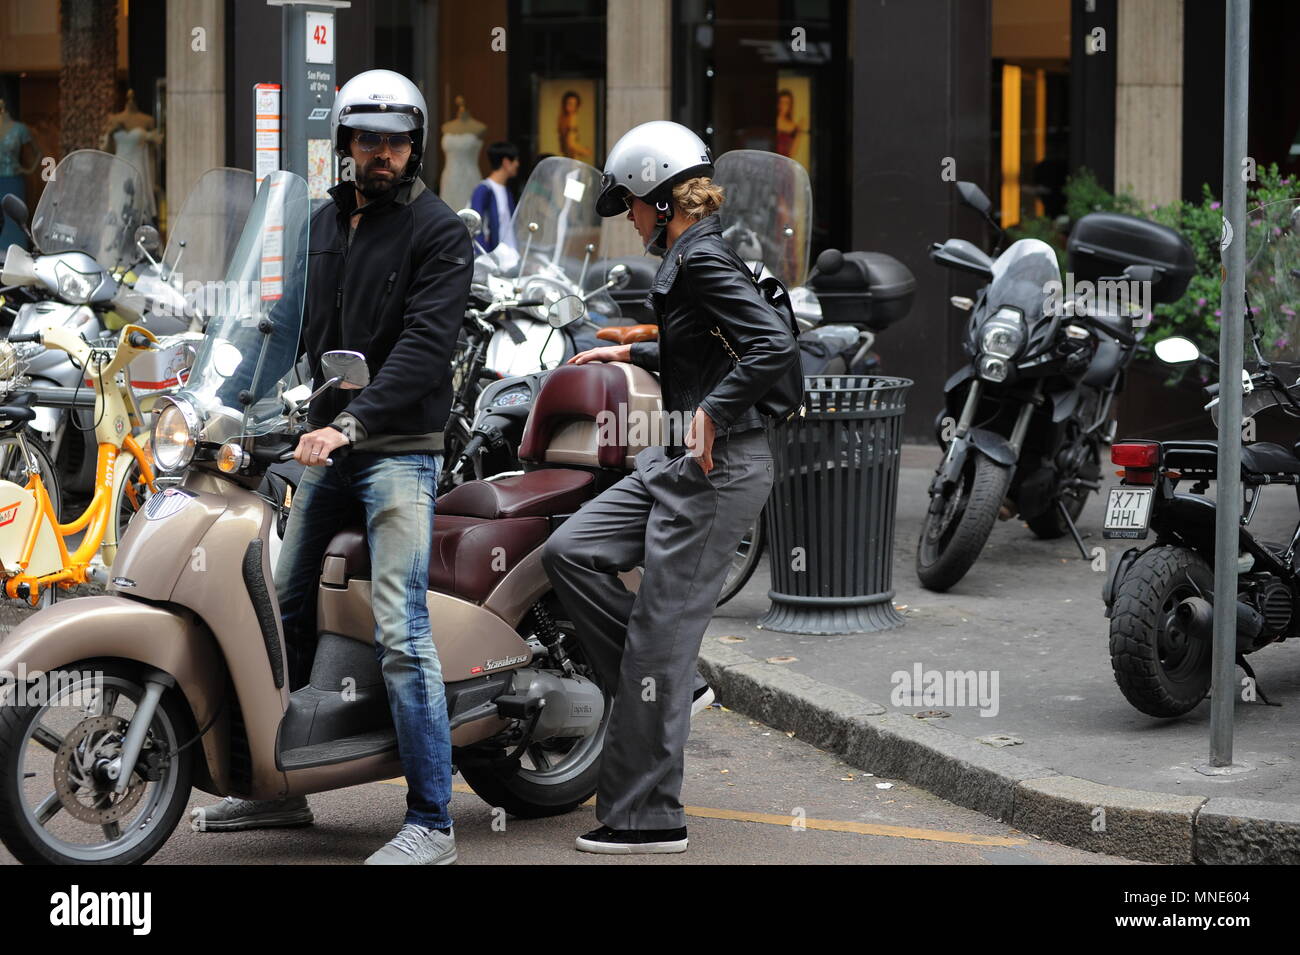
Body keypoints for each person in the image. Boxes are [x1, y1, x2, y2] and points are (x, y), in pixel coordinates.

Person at [195, 69, 473, 866]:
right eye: (365, 139)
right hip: (326, 445)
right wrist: (219, 395)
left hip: (396, 454)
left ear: (413, 143)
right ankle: (279, 790)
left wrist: (349, 424)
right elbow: (280, 324)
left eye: (393, 139)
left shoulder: (439, 231)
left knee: (400, 627)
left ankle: (433, 819)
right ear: (345, 145)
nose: (379, 153)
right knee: (279, 610)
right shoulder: (322, 222)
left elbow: (425, 350)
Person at [541, 120, 799, 855]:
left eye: (631, 204)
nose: (631, 219)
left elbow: (773, 345)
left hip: (718, 470)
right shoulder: (695, 255)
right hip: (675, 463)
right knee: (572, 550)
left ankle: (648, 817)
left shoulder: (703, 257)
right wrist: (635, 342)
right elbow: (708, 339)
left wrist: (714, 413)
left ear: (661, 194)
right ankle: (677, 682)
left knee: (656, 641)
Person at [469, 141, 519, 253]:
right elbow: (476, 227)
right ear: (506, 162)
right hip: (493, 258)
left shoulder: (507, 191)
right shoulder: (483, 190)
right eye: (515, 160)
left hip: (510, 256)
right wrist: (485, 257)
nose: (517, 164)